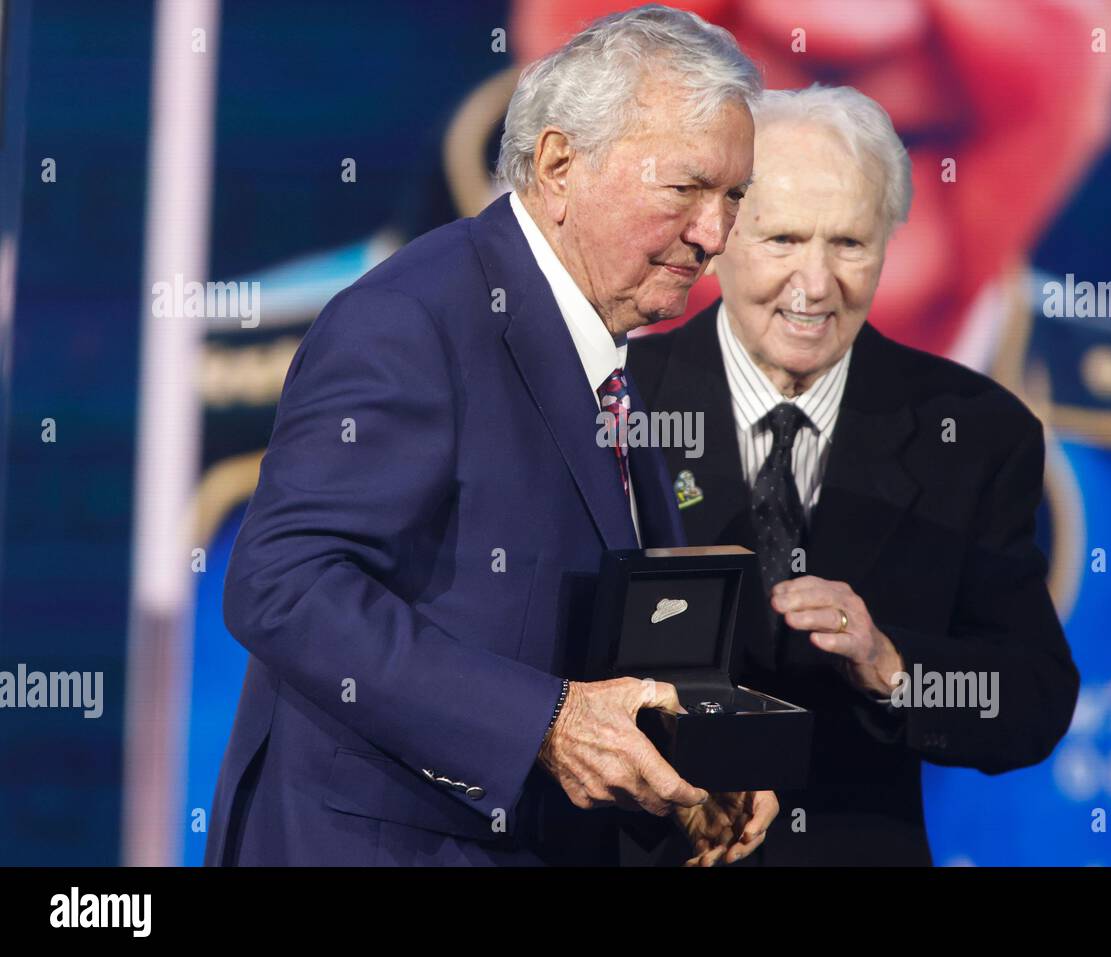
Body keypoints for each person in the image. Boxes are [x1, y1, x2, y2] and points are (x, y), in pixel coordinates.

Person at [205, 4, 777, 867]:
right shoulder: (412, 319)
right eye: (686, 188)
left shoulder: (605, 342)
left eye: (733, 196)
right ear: (558, 163)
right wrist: (544, 723)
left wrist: (679, 774)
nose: (715, 234)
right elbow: (282, 583)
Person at [628, 85, 1080, 865]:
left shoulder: (974, 432)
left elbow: (1030, 699)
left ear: (890, 242)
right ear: (724, 231)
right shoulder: (616, 400)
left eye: (849, 244)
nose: (813, 284)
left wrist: (891, 665)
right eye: (784, 240)